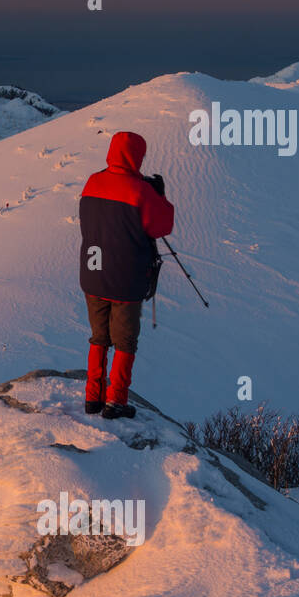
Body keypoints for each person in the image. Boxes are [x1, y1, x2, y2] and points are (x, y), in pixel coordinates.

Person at [78, 131, 174, 418]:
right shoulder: (140, 191)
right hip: (125, 279)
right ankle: (115, 401)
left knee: (98, 337)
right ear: (136, 156)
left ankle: (92, 398)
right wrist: (159, 195)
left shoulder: (92, 182)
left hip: (93, 273)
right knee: (125, 342)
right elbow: (162, 226)